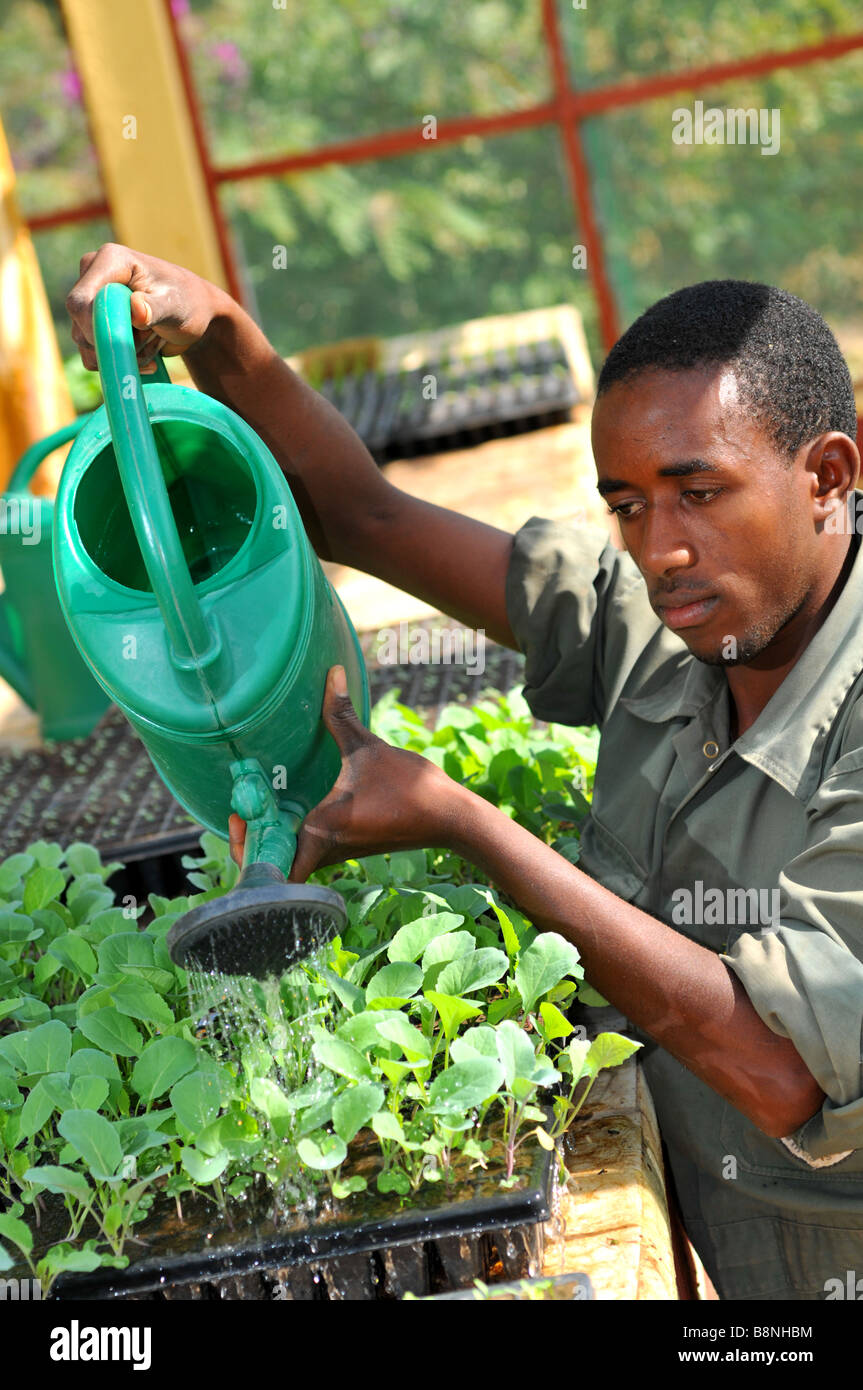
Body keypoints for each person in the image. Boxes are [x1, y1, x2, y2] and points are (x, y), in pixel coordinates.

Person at [67, 247, 863, 1301]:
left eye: (698, 491)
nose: (658, 547)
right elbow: (366, 518)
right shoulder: (662, 623)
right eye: (624, 505)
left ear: (826, 477)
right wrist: (221, 334)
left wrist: (463, 822)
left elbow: (778, 1070)